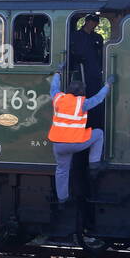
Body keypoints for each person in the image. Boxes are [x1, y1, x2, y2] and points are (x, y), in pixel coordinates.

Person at [47, 71, 113, 204]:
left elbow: (53, 88)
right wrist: (107, 85)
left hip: (59, 146)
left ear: (69, 90)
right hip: (76, 143)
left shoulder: (59, 98)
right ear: (82, 92)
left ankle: (62, 199)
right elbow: (99, 98)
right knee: (99, 133)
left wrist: (57, 73)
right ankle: (94, 164)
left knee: (61, 171)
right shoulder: (82, 103)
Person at [69, 14, 106, 127]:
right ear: (86, 21)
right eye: (92, 22)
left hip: (95, 72)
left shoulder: (98, 38)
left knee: (94, 96)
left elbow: (101, 55)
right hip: (79, 72)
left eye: (96, 22)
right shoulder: (75, 36)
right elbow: (71, 52)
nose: (93, 24)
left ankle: (95, 122)